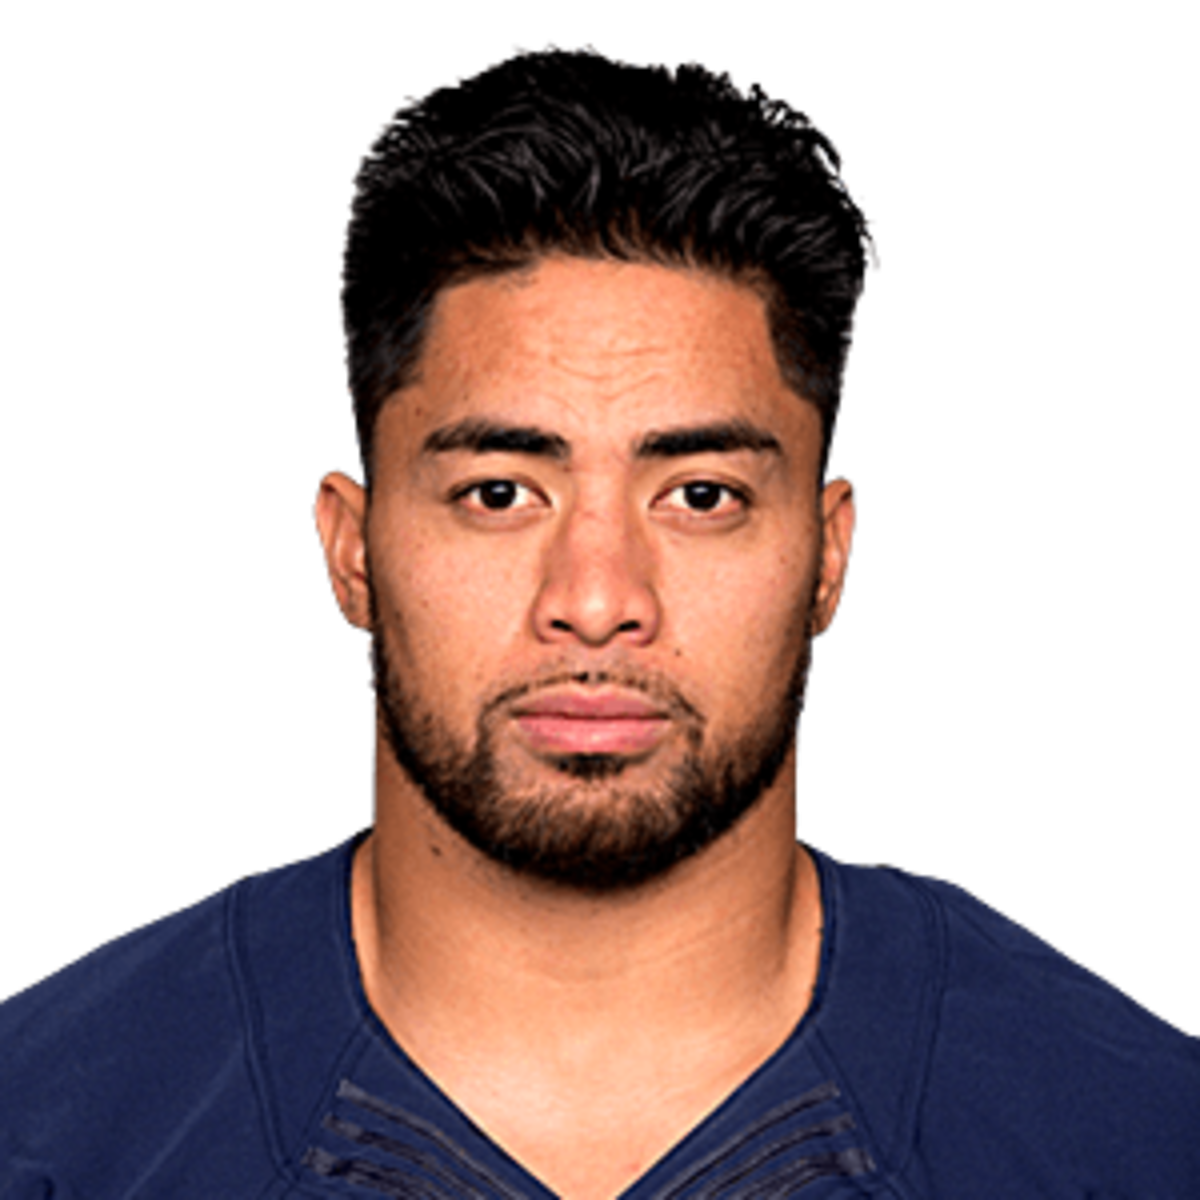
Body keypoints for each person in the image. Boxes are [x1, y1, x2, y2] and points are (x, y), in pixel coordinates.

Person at [2, 41, 1195, 1200]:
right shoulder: (43, 1132)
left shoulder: (1139, 1137)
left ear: (833, 554)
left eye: (701, 496)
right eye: (500, 493)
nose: (595, 600)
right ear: (349, 547)